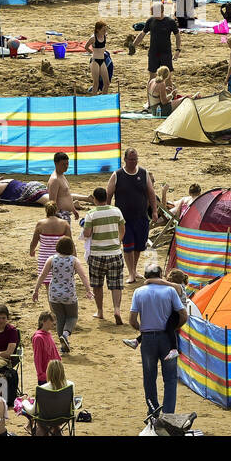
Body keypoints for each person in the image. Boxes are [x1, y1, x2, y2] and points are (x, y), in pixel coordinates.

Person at [128, 263, 187, 414]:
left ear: (146, 277)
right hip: (167, 339)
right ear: (160, 276)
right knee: (170, 378)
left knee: (149, 377)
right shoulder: (170, 291)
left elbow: (132, 320)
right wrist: (173, 328)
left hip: (148, 340)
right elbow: (183, 315)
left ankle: (153, 410)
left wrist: (142, 331)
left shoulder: (138, 292)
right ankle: (168, 414)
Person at [32, 236, 92, 353]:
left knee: (60, 318)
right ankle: (65, 334)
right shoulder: (74, 260)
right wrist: (88, 290)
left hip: (54, 294)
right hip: (69, 294)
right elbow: (83, 276)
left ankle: (63, 346)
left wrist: (36, 290)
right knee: (72, 316)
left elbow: (42, 275)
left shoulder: (51, 259)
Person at [108, 148, 156, 285]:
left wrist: (154, 211)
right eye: (131, 159)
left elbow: (151, 193)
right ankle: (130, 273)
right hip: (123, 219)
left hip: (141, 217)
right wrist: (107, 211)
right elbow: (109, 194)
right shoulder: (117, 175)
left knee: (138, 246)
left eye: (135, 159)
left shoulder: (143, 173)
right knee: (128, 245)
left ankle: (134, 270)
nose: (133, 162)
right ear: (125, 159)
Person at [82, 187, 125, 322]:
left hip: (97, 254)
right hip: (114, 252)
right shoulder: (116, 211)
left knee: (97, 284)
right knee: (116, 283)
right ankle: (117, 309)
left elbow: (87, 233)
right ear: (106, 197)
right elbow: (122, 229)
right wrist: (117, 241)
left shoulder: (91, 214)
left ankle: (100, 311)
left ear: (95, 199)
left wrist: (84, 228)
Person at [130, 1, 181, 75]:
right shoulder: (150, 21)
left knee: (167, 78)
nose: (153, 14)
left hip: (165, 53)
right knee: (152, 77)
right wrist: (133, 45)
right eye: (152, 12)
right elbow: (142, 34)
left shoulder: (170, 22)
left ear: (162, 11)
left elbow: (177, 36)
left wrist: (178, 50)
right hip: (153, 53)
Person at [30, 311, 62, 385]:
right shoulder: (38, 337)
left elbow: (54, 352)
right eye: (51, 320)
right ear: (42, 321)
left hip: (54, 373)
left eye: (54, 320)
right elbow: (37, 357)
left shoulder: (48, 334)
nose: (53, 323)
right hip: (46, 376)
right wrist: (41, 374)